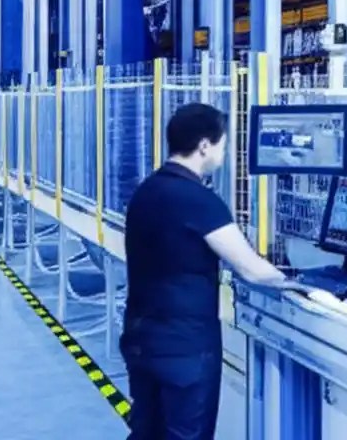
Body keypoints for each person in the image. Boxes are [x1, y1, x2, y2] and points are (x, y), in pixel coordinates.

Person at [122, 102, 291, 440]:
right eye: (223, 145)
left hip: (141, 340)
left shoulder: (146, 191)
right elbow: (250, 268)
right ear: (204, 146)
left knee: (147, 433)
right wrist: (300, 286)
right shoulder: (198, 200)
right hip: (185, 350)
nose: (224, 154)